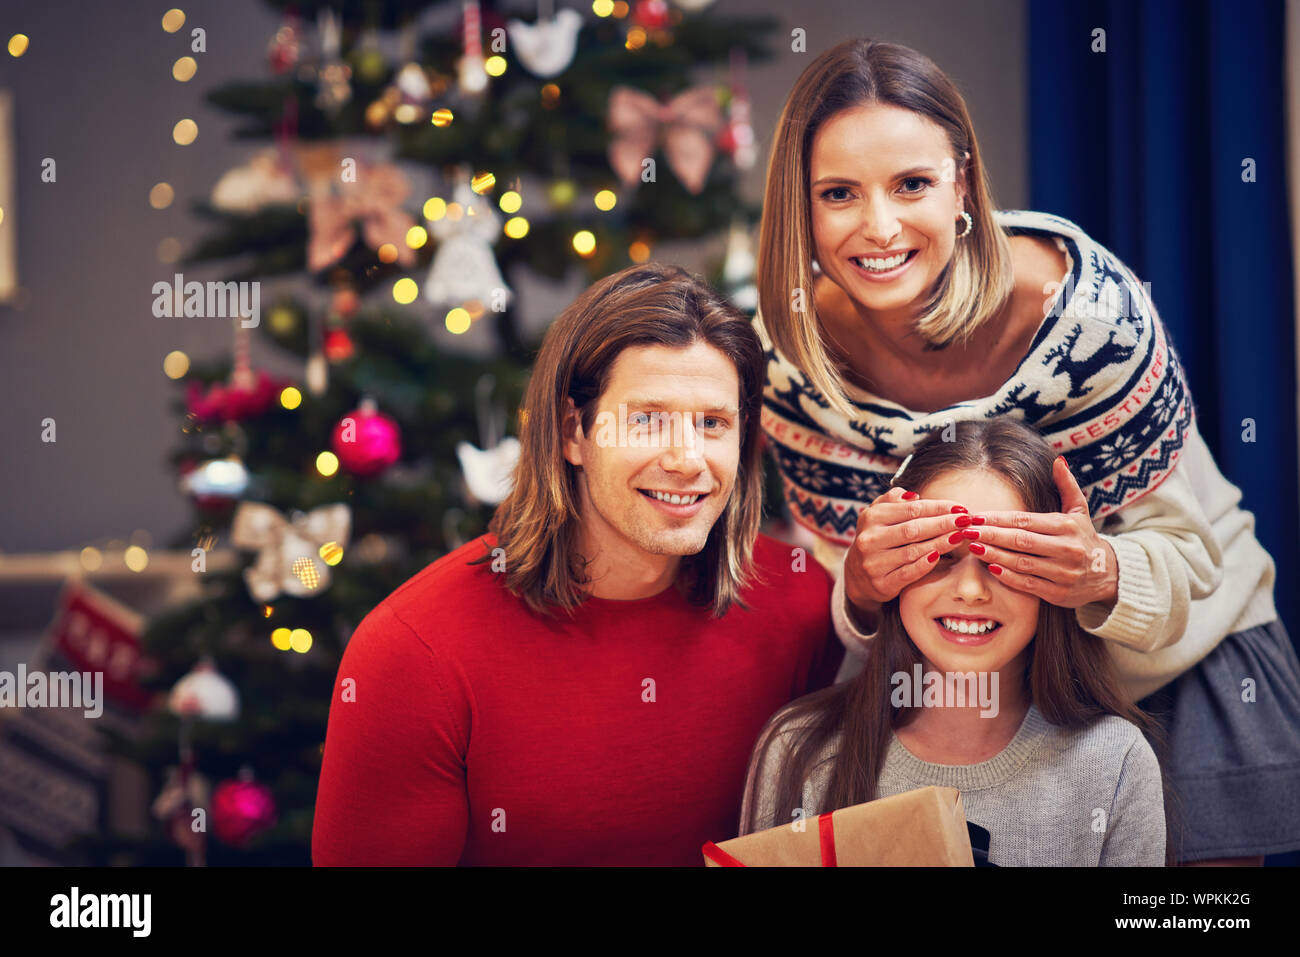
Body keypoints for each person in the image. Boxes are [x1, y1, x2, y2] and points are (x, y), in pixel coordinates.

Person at [754, 37, 1300, 864]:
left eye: (912, 184)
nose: (879, 227)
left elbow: (1192, 556)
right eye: (838, 193)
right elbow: (853, 578)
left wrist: (1101, 572)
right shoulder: (790, 364)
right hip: (978, 690)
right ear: (800, 205)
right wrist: (861, 590)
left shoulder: (1090, 317)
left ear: (964, 180)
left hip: (1172, 660)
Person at [312, 263, 844, 866]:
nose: (688, 460)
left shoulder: (800, 603)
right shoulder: (413, 652)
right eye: (647, 419)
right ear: (573, 432)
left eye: (713, 423)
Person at [739, 420, 1169, 866]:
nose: (970, 590)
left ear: (1061, 580)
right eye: (941, 556)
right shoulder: (799, 748)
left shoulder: (1114, 761)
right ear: (889, 568)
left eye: (1007, 558)